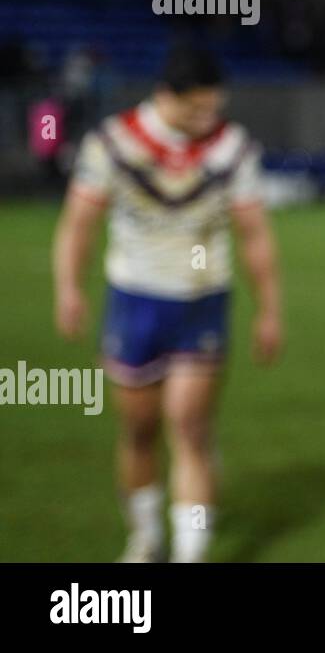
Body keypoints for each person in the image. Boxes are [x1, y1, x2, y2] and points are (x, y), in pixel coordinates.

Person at [53, 45, 282, 562]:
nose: (208, 119)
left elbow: (254, 234)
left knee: (190, 426)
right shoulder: (113, 143)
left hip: (201, 302)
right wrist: (68, 287)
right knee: (138, 430)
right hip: (133, 299)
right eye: (197, 108)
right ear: (165, 96)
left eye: (214, 108)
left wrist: (269, 308)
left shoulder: (232, 150)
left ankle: (188, 554)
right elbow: (78, 223)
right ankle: (146, 536)